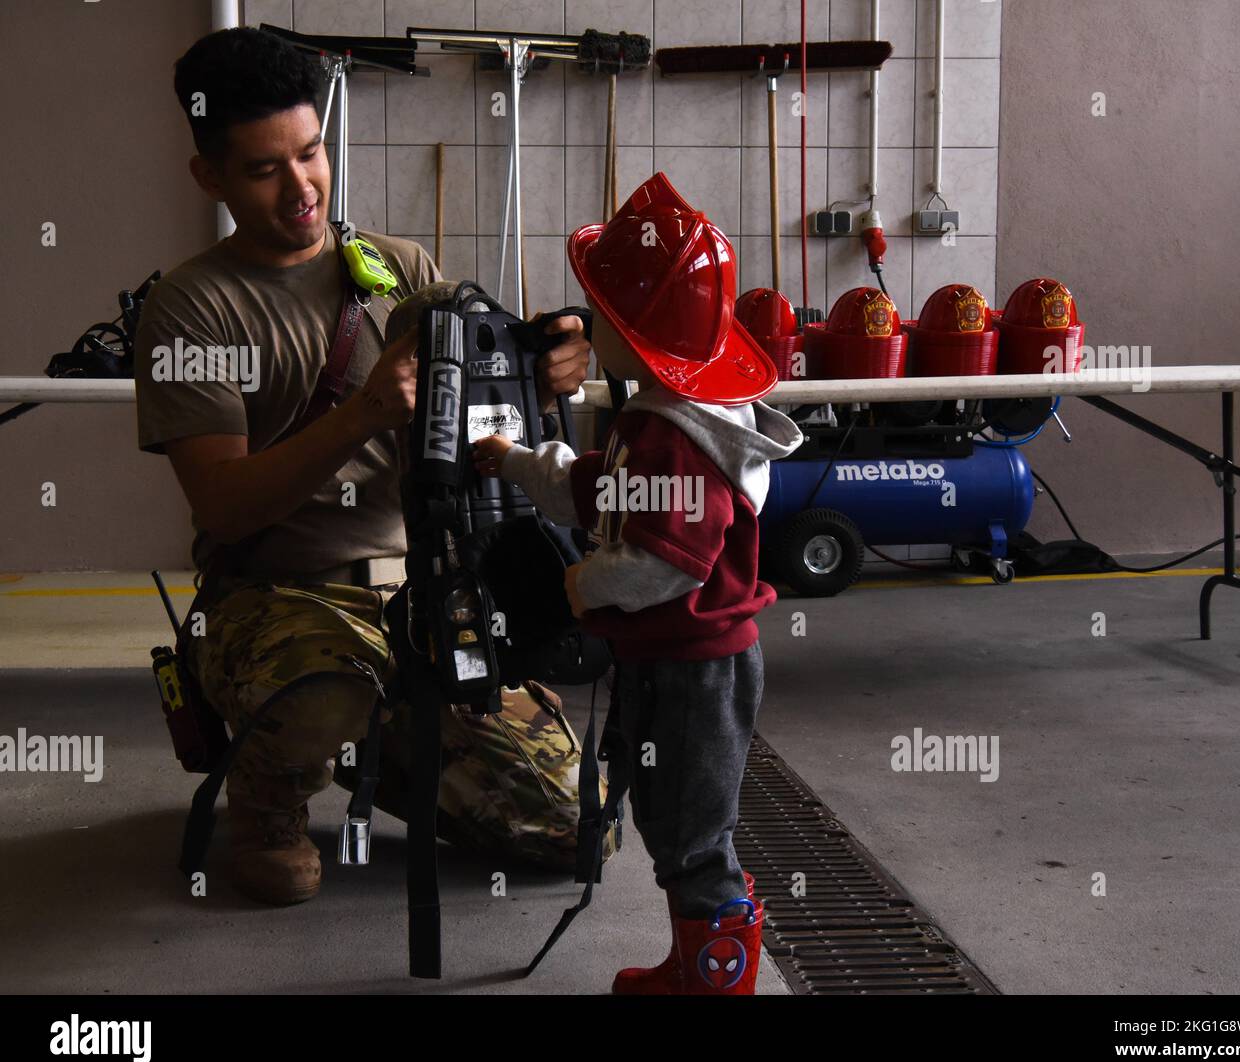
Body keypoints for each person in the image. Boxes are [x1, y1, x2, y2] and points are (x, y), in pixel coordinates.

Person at [133, 27, 602, 907]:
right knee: (326, 695)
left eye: (310, 153)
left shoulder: (398, 270)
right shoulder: (190, 309)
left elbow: (476, 447)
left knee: (567, 827)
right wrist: (362, 415)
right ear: (212, 178)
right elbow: (225, 507)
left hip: (423, 593)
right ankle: (269, 796)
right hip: (276, 599)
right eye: (265, 169)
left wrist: (538, 379)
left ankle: (391, 736)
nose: (302, 186)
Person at [474, 172, 802, 994]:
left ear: (635, 332)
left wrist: (582, 586)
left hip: (693, 667)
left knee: (692, 836)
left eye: (600, 312)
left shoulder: (671, 437)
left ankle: (716, 980)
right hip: (678, 661)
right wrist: (516, 461)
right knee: (670, 820)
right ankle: (695, 964)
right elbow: (597, 487)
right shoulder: (660, 421)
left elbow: (666, 563)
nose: (586, 324)